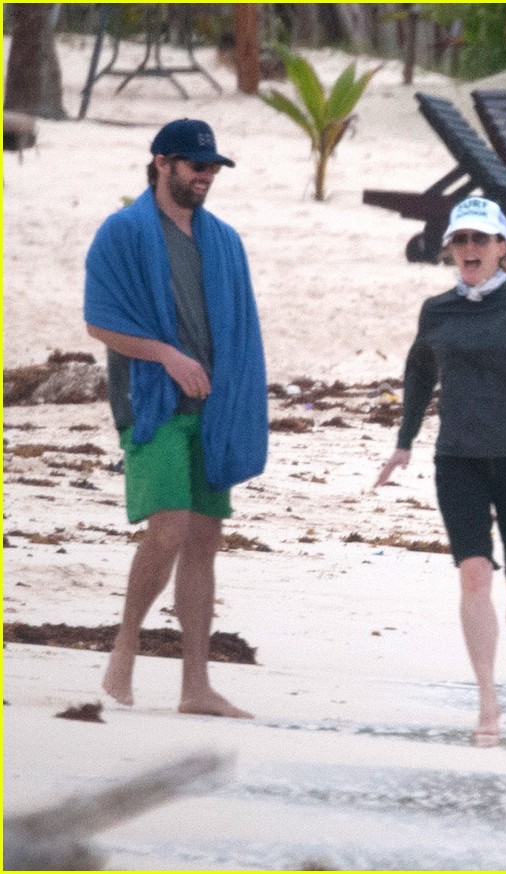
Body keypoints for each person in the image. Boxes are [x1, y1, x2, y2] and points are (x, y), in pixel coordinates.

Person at [374, 196, 506, 738]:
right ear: (450, 248)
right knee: (474, 575)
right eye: (460, 240)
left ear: (502, 248)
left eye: (480, 240)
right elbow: (420, 372)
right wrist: (404, 442)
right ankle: (486, 696)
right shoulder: (437, 311)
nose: (469, 249)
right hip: (458, 458)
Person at [84, 119, 268, 718]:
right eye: (194, 164)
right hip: (152, 404)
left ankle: (196, 686)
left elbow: (241, 333)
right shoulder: (123, 233)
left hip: (212, 410)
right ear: (161, 162)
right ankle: (127, 641)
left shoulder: (224, 241)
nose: (205, 174)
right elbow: (99, 322)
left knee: (206, 539)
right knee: (168, 526)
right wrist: (165, 355)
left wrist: (238, 403)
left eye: (211, 166)